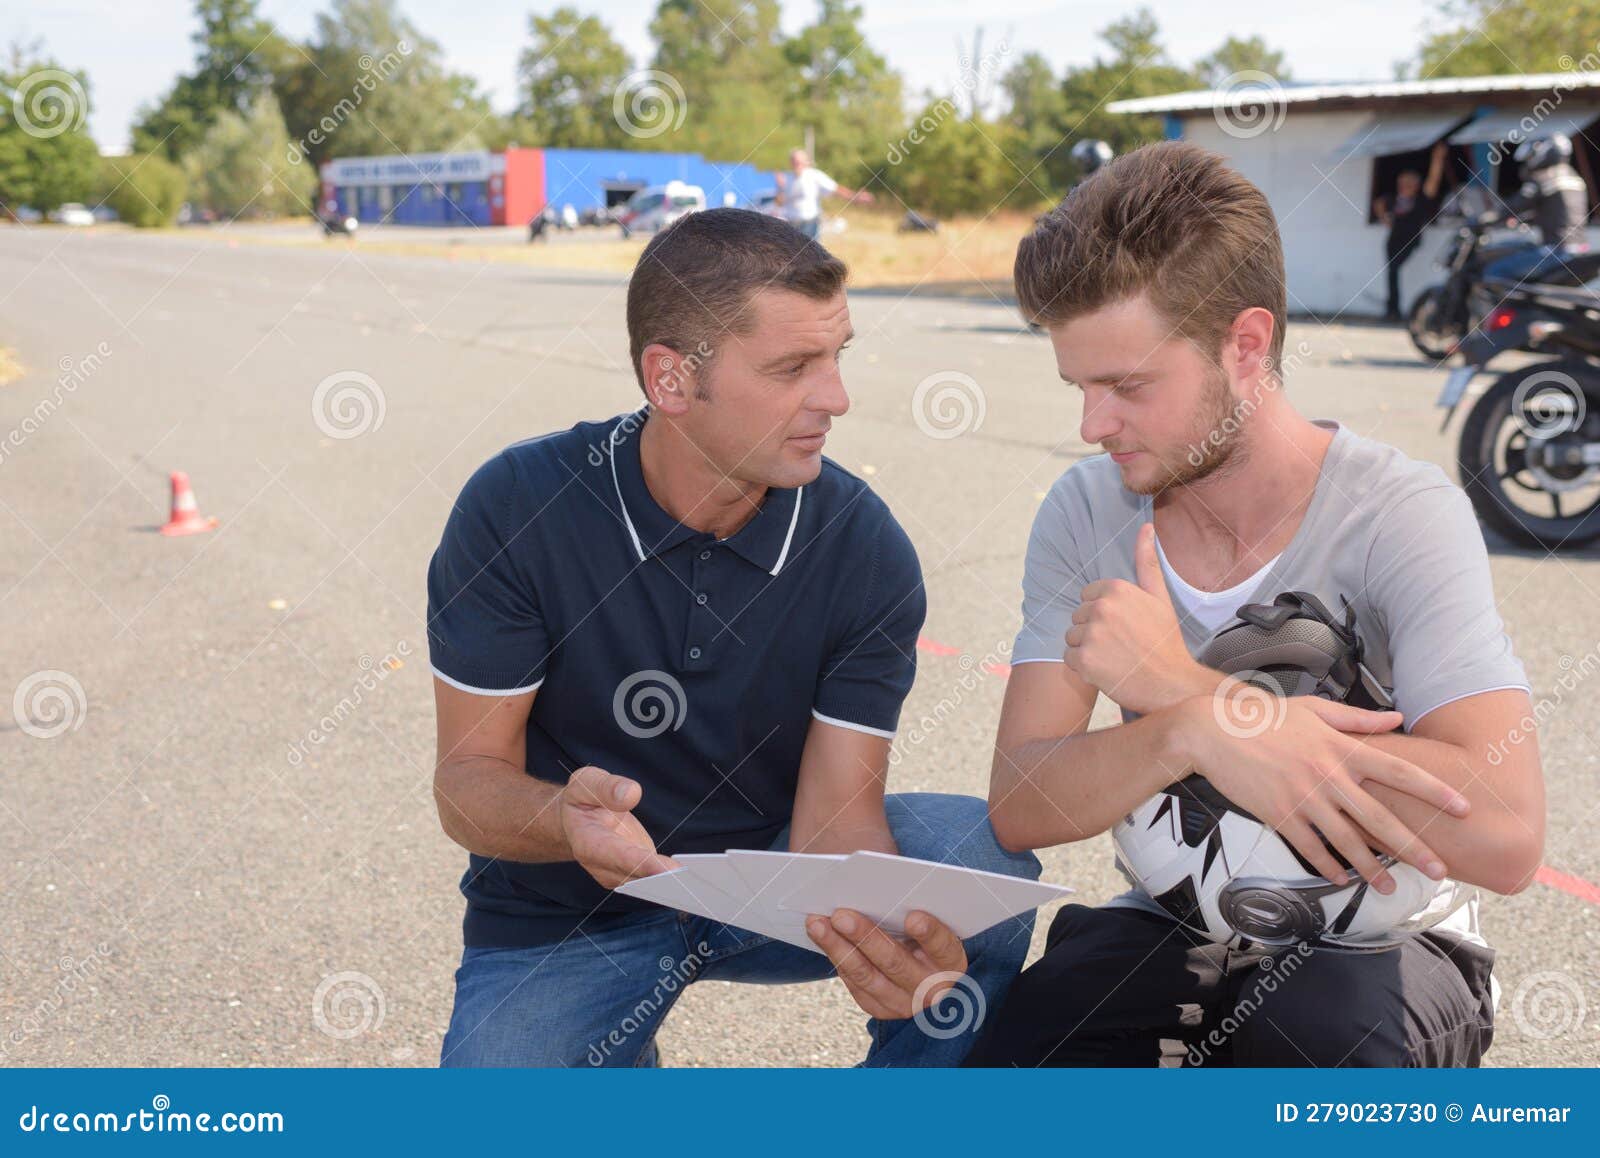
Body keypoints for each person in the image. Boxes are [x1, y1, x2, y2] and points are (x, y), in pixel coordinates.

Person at [964, 141, 1545, 1068]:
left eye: (1127, 387)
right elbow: (1022, 805)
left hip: (1386, 944)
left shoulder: (1401, 513)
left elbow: (1510, 836)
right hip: (1172, 926)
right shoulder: (1084, 509)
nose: (1092, 425)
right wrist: (1188, 728)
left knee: (1308, 1049)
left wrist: (1188, 684)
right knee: (1022, 1053)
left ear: (1244, 345)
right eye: (1080, 386)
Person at [426, 207, 1039, 1068]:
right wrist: (562, 818)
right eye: (793, 367)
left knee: (985, 865)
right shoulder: (520, 506)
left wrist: (885, 952)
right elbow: (465, 785)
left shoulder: (862, 548)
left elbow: (834, 824)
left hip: (770, 885)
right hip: (569, 909)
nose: (835, 397)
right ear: (670, 381)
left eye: (836, 357)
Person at [1483, 133, 1592, 286]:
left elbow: (1513, 207)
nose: (1528, 163)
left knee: (1495, 270)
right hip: (1578, 249)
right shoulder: (1573, 177)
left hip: (1556, 251)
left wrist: (1486, 218)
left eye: (1530, 157)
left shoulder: (1543, 178)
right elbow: (1558, 213)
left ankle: (1507, 310)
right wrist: (1527, 219)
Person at [1374, 141, 1449, 320]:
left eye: (1409, 183)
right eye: (1402, 182)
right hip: (1393, 240)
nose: (1405, 186)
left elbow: (1433, 181)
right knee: (1392, 272)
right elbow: (1378, 203)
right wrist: (1384, 218)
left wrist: (1437, 159)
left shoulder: (1420, 200)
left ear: (1416, 185)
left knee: (1393, 270)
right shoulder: (1394, 199)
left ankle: (1393, 309)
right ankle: (1392, 309)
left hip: (1410, 240)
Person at [777, 148, 873, 240]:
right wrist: (780, 188)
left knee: (809, 254)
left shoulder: (814, 175)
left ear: (806, 162)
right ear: (791, 162)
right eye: (794, 161)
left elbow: (836, 189)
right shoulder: (786, 178)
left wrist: (855, 196)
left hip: (809, 224)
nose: (797, 163)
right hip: (791, 225)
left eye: (799, 161)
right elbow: (779, 203)